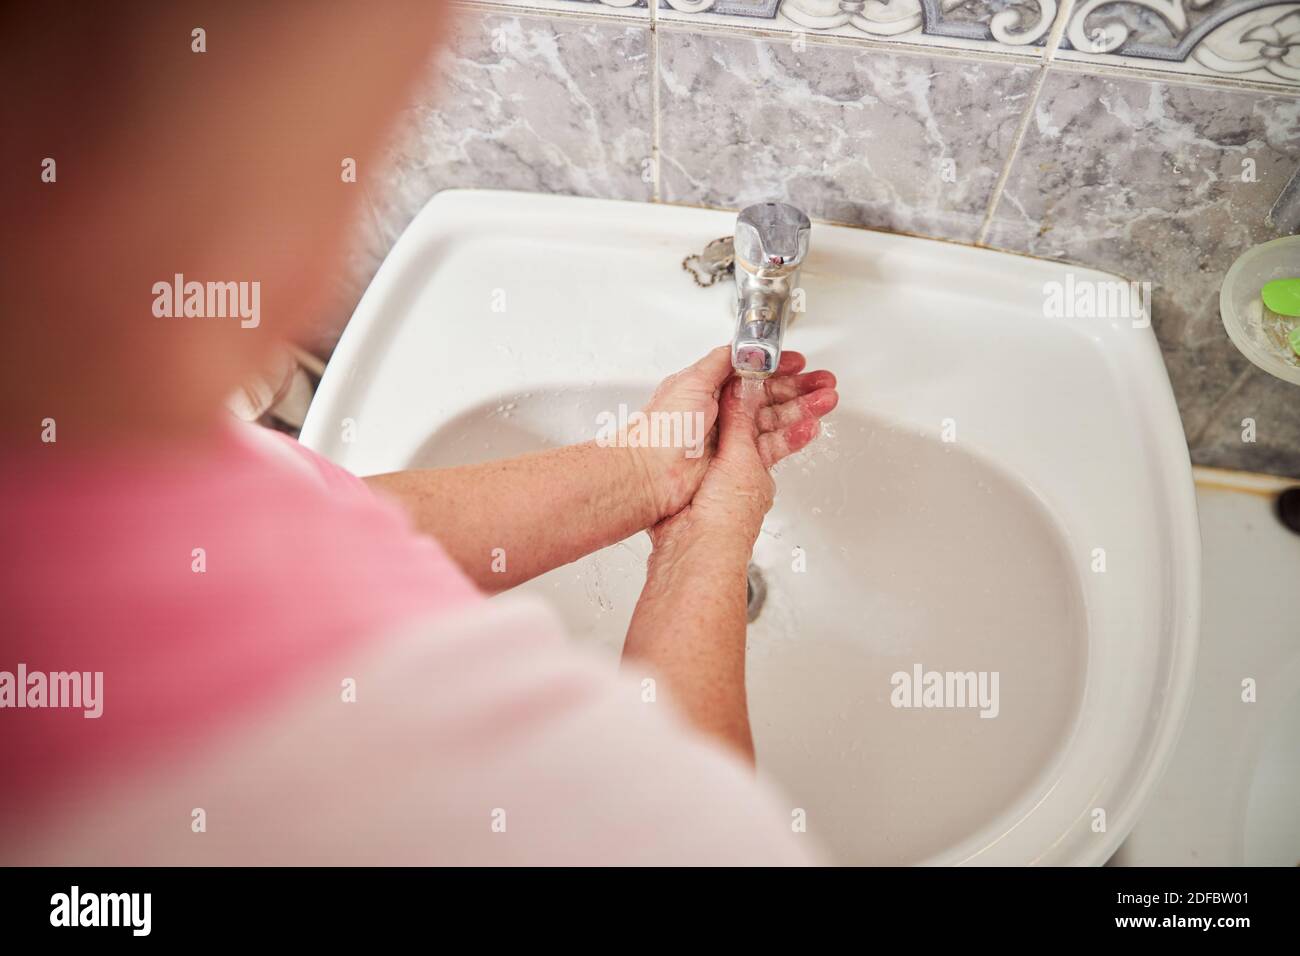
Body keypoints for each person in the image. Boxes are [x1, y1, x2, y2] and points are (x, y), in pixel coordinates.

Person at [0, 1, 837, 865]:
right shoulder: (366, 785)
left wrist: (646, 470)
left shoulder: (99, 463)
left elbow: (314, 540)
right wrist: (706, 542)